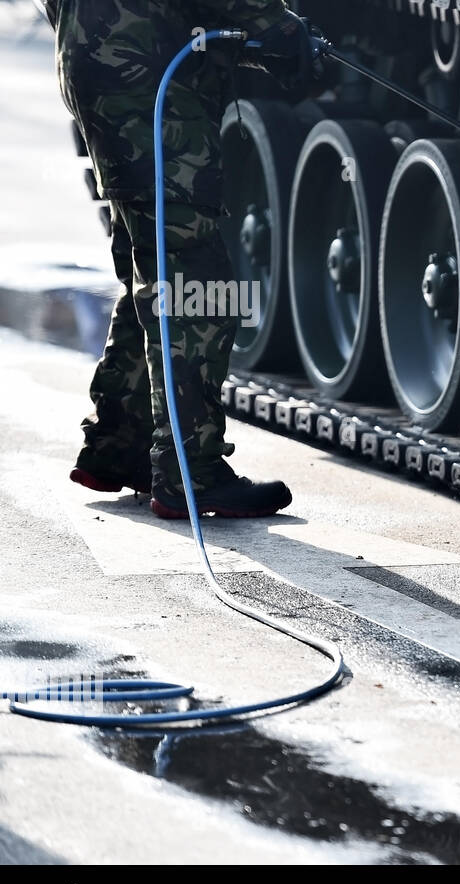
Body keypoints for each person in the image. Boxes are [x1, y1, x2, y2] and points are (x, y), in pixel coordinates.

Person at [47, 0, 315, 518]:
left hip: (106, 63)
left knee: (152, 271)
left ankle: (120, 448)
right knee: (199, 289)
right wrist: (276, 25)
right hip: (145, 79)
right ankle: (191, 474)